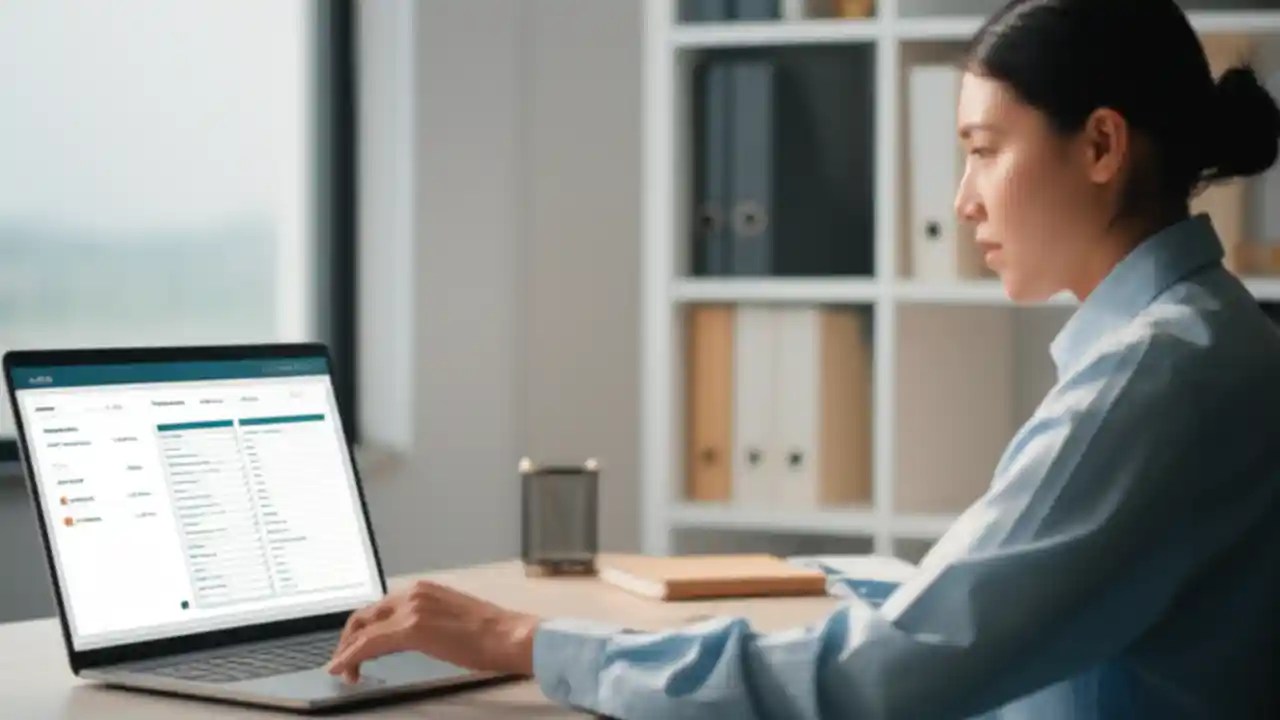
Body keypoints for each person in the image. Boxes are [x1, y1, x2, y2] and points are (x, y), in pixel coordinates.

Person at [327, 0, 1280, 716]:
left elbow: (886, 677)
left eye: (985, 150)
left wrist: (526, 641)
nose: (962, 201)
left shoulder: (1150, 382)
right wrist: (848, 580)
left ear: (1102, 145)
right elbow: (1012, 599)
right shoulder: (1205, 338)